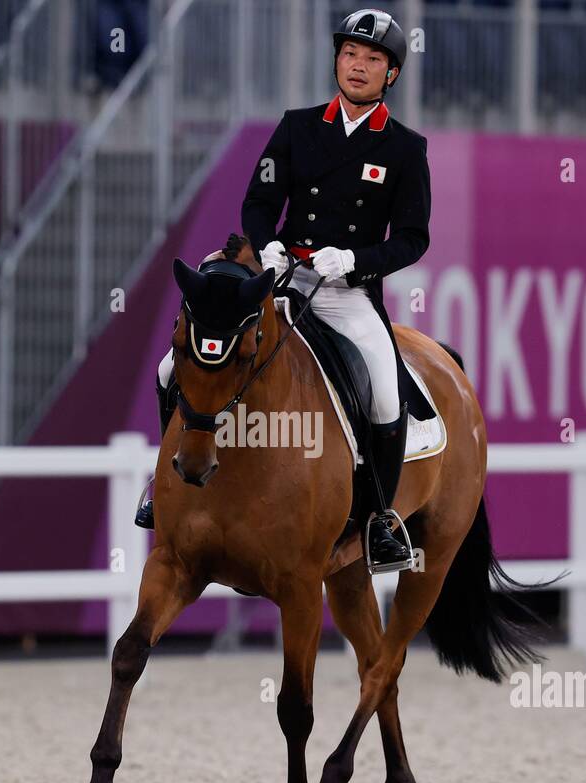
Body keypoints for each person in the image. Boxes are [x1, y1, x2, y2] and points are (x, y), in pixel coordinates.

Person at [137, 8, 431, 574]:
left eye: (373, 60)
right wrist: (266, 244)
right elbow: (260, 201)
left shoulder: (403, 148)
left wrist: (356, 261)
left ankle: (380, 521)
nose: (358, 66)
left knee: (385, 392)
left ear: (390, 74)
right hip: (280, 278)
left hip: (347, 292)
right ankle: (161, 486)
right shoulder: (297, 126)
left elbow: (413, 239)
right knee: (170, 371)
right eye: (350, 54)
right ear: (336, 59)